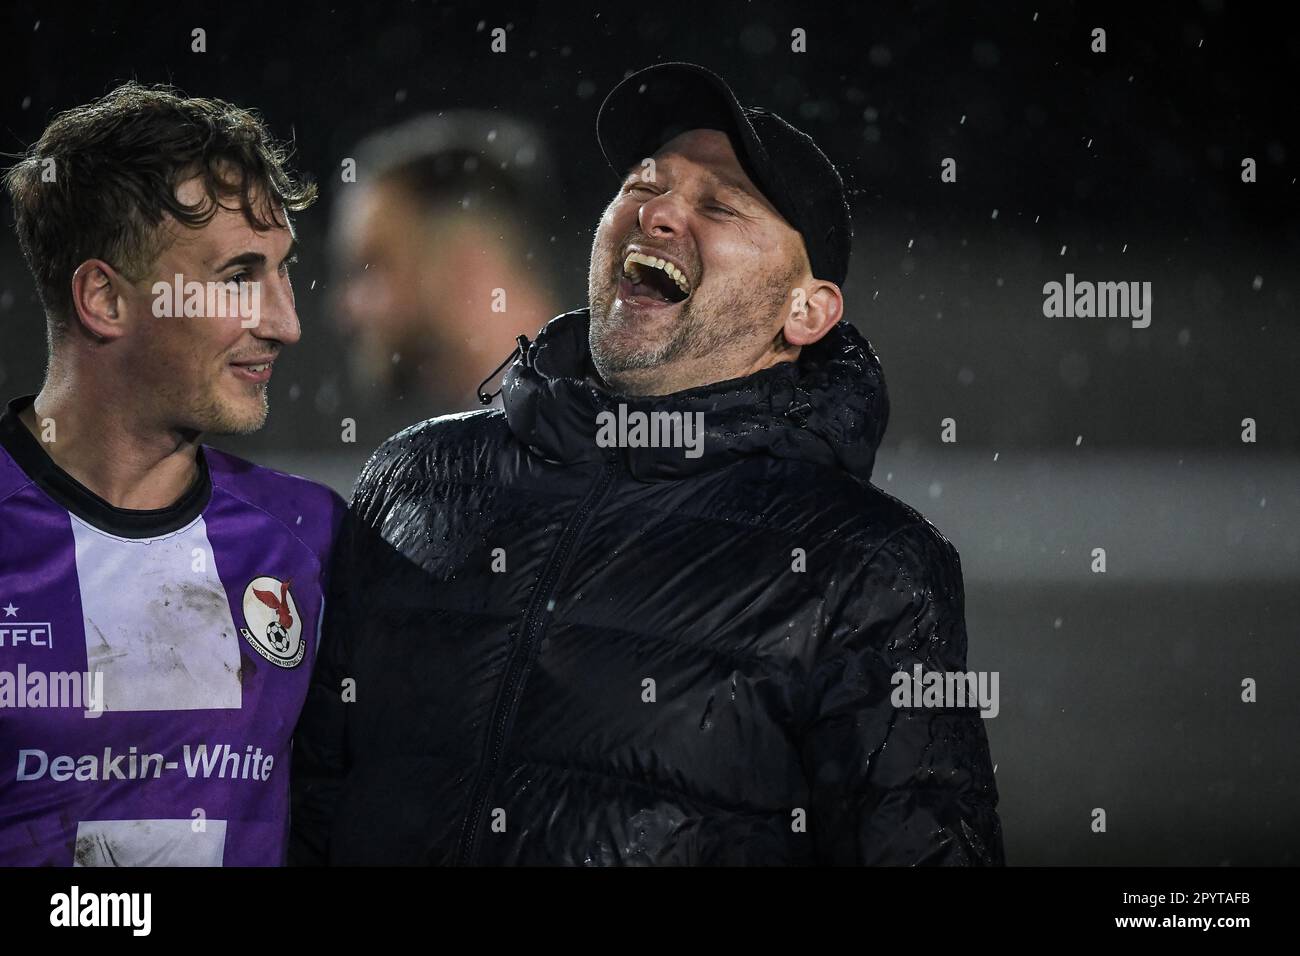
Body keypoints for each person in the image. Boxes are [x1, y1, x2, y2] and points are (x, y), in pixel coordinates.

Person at [292, 62, 1004, 865]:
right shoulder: (412, 481)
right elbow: (313, 807)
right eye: (643, 184)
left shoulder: (868, 567)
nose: (658, 211)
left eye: (719, 204)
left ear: (806, 311)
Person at [0, 82, 343, 866]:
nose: (286, 323)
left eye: (283, 271)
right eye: (238, 276)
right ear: (104, 300)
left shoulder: (312, 538)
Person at [331, 112, 560, 430]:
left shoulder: (570, 449)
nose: (347, 307)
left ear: (468, 264)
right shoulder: (525, 435)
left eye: (375, 266)